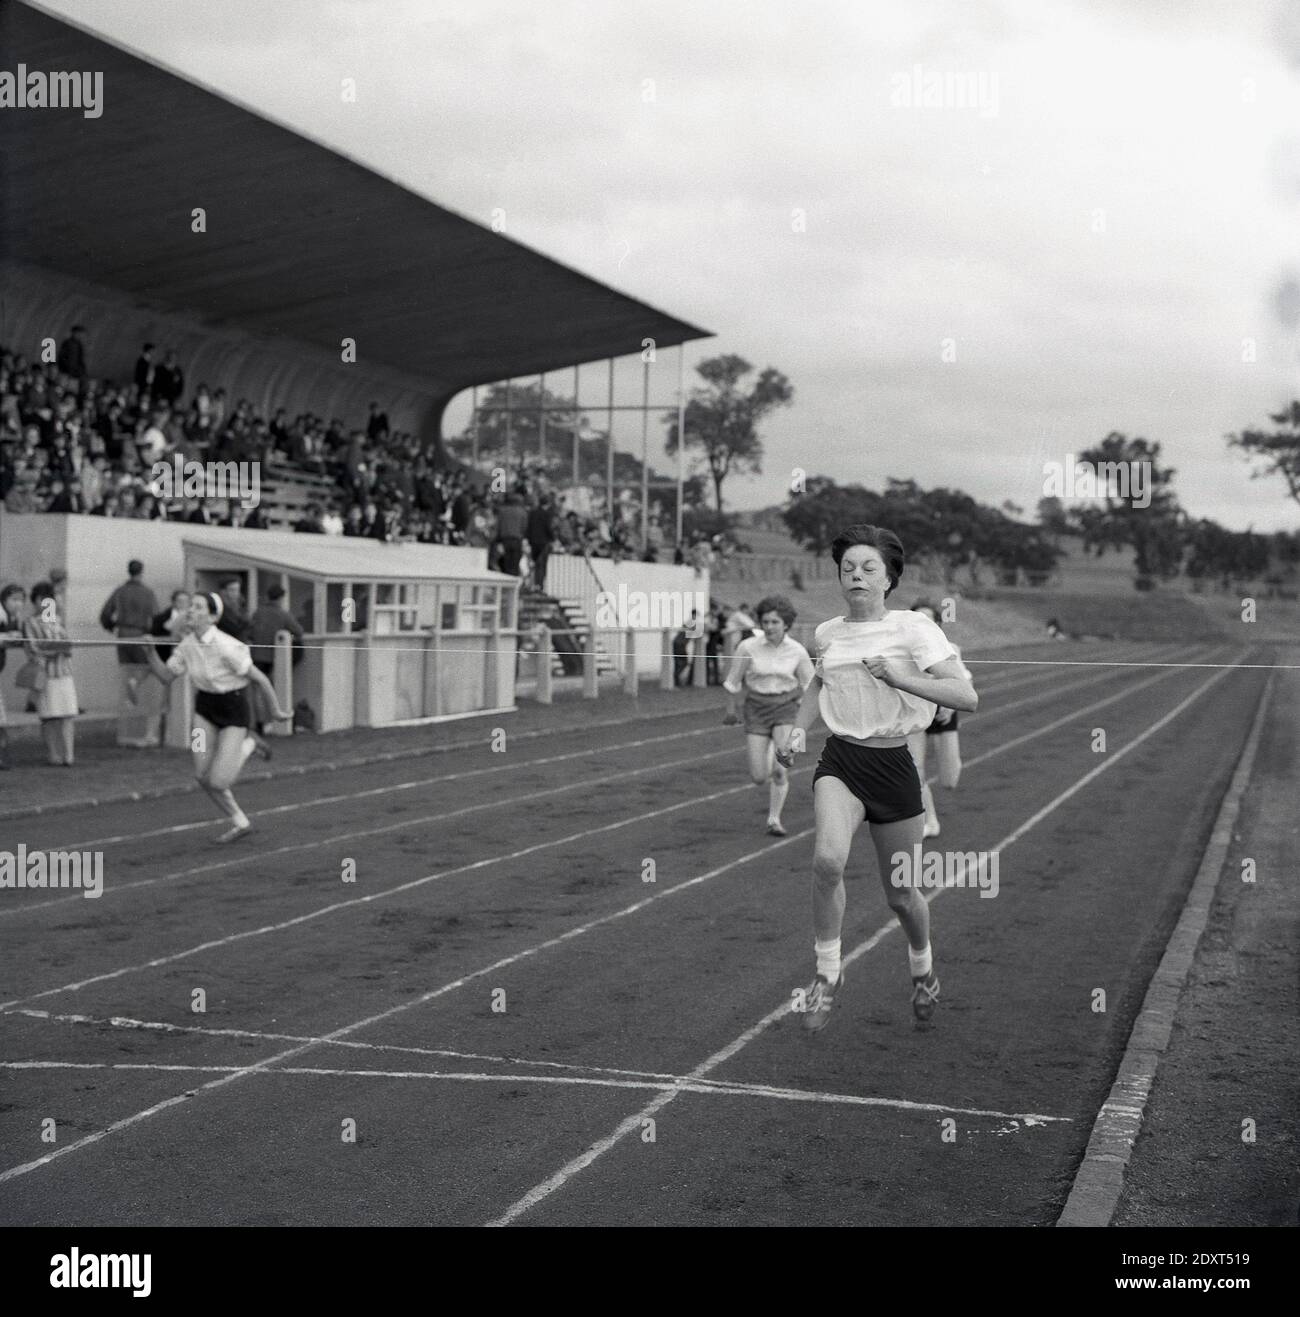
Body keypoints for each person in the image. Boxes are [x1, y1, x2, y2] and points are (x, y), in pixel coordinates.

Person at [776, 525, 977, 1032]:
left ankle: (923, 967)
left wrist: (898, 676)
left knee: (902, 896)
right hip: (841, 761)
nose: (857, 576)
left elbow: (964, 696)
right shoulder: (827, 633)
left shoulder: (914, 630)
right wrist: (799, 731)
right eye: (848, 569)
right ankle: (827, 975)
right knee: (826, 860)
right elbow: (818, 684)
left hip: (894, 768)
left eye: (868, 568)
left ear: (888, 578)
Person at [143, 592, 292, 843]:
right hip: (205, 710)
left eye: (198, 607)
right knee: (202, 777)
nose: (190, 610)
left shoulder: (227, 646)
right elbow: (166, 676)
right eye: (190, 606)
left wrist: (276, 711)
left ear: (212, 617)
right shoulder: (187, 645)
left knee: (219, 780)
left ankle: (250, 743)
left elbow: (261, 679)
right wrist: (150, 653)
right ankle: (240, 822)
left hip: (233, 710)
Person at [721, 595, 814, 836]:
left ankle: (774, 819)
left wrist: (801, 724)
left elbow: (810, 686)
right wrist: (730, 712)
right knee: (758, 777)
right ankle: (773, 747)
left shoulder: (797, 651)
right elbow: (732, 682)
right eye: (765, 621)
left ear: (786, 624)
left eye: (775, 622)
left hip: (786, 708)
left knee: (781, 769)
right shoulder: (747, 647)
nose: (769, 627)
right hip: (756, 708)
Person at [905, 601, 970, 839]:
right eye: (917, 620)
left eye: (928, 620)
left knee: (949, 780)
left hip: (943, 712)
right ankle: (930, 821)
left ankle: (950, 768)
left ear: (938, 625)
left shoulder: (950, 648)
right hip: (916, 711)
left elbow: (965, 684)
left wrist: (951, 708)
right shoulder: (903, 650)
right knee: (914, 769)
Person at [99, 558, 160, 747]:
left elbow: (104, 614)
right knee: (144, 672)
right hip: (140, 634)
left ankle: (130, 711)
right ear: (141, 572)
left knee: (126, 673)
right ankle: (141, 724)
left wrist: (112, 628)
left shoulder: (120, 591)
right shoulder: (148, 593)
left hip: (123, 634)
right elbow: (155, 616)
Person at [22, 581, 79, 767]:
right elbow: (32, 647)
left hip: (63, 672)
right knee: (49, 716)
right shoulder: (30, 623)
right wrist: (54, 649)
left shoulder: (58, 620)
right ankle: (54, 754)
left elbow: (67, 643)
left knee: (67, 715)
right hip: (45, 674)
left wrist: (60, 646)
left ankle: (68, 755)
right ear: (38, 600)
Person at [248, 584, 304, 734]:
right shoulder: (282, 614)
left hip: (257, 656)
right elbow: (299, 631)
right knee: (276, 690)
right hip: (275, 658)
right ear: (280, 598)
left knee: (258, 692)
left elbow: (250, 631)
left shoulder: (257, 613)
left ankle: (260, 724)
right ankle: (279, 722)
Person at [0, 583, 27, 769]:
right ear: (4, 599)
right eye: (14, 600)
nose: (18, 604)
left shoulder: (13, 616)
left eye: (21, 600)